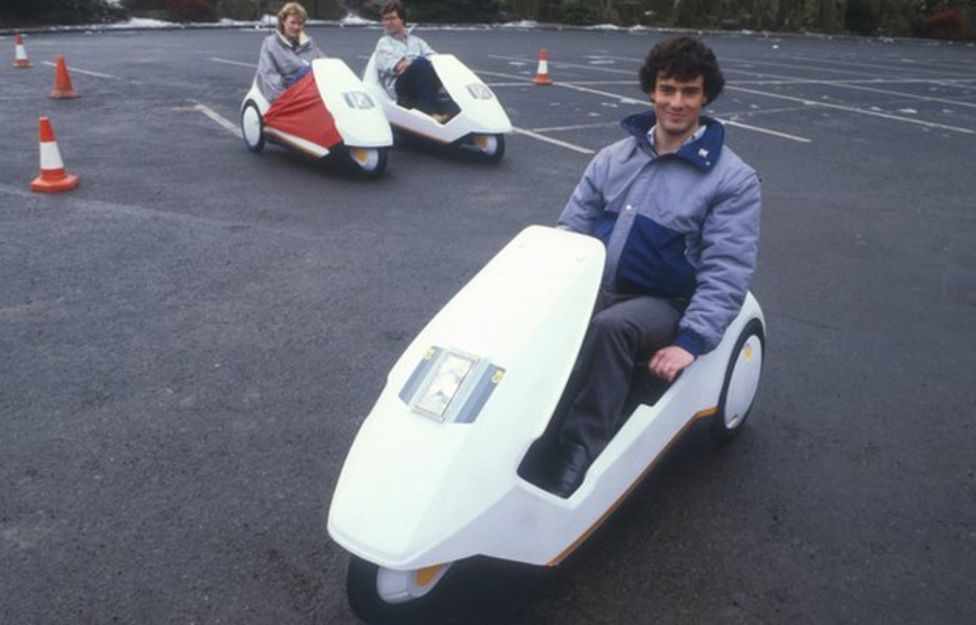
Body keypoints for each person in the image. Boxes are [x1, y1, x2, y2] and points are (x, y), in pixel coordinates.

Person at [547, 36, 762, 498]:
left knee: (611, 328)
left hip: (664, 303)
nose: (676, 103)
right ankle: (523, 430)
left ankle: (578, 450)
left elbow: (727, 268)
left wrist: (690, 340)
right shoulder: (613, 158)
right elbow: (571, 231)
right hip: (601, 285)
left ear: (706, 97)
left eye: (689, 92)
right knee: (545, 324)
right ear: (651, 91)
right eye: (667, 89)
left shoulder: (732, 178)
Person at [373, 1, 450, 122]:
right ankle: (427, 112)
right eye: (385, 19)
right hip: (399, 89)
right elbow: (399, 66)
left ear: (402, 19)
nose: (388, 23)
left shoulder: (417, 41)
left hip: (420, 83)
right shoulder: (384, 43)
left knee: (439, 67)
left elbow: (435, 58)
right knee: (421, 63)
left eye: (392, 18)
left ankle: (452, 111)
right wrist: (417, 64)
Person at [254, 2, 324, 103]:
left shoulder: (309, 43)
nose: (296, 27)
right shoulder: (270, 44)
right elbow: (269, 77)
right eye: (293, 22)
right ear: (283, 21)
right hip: (288, 99)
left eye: (300, 23)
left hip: (311, 97)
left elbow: (326, 65)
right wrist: (288, 100)